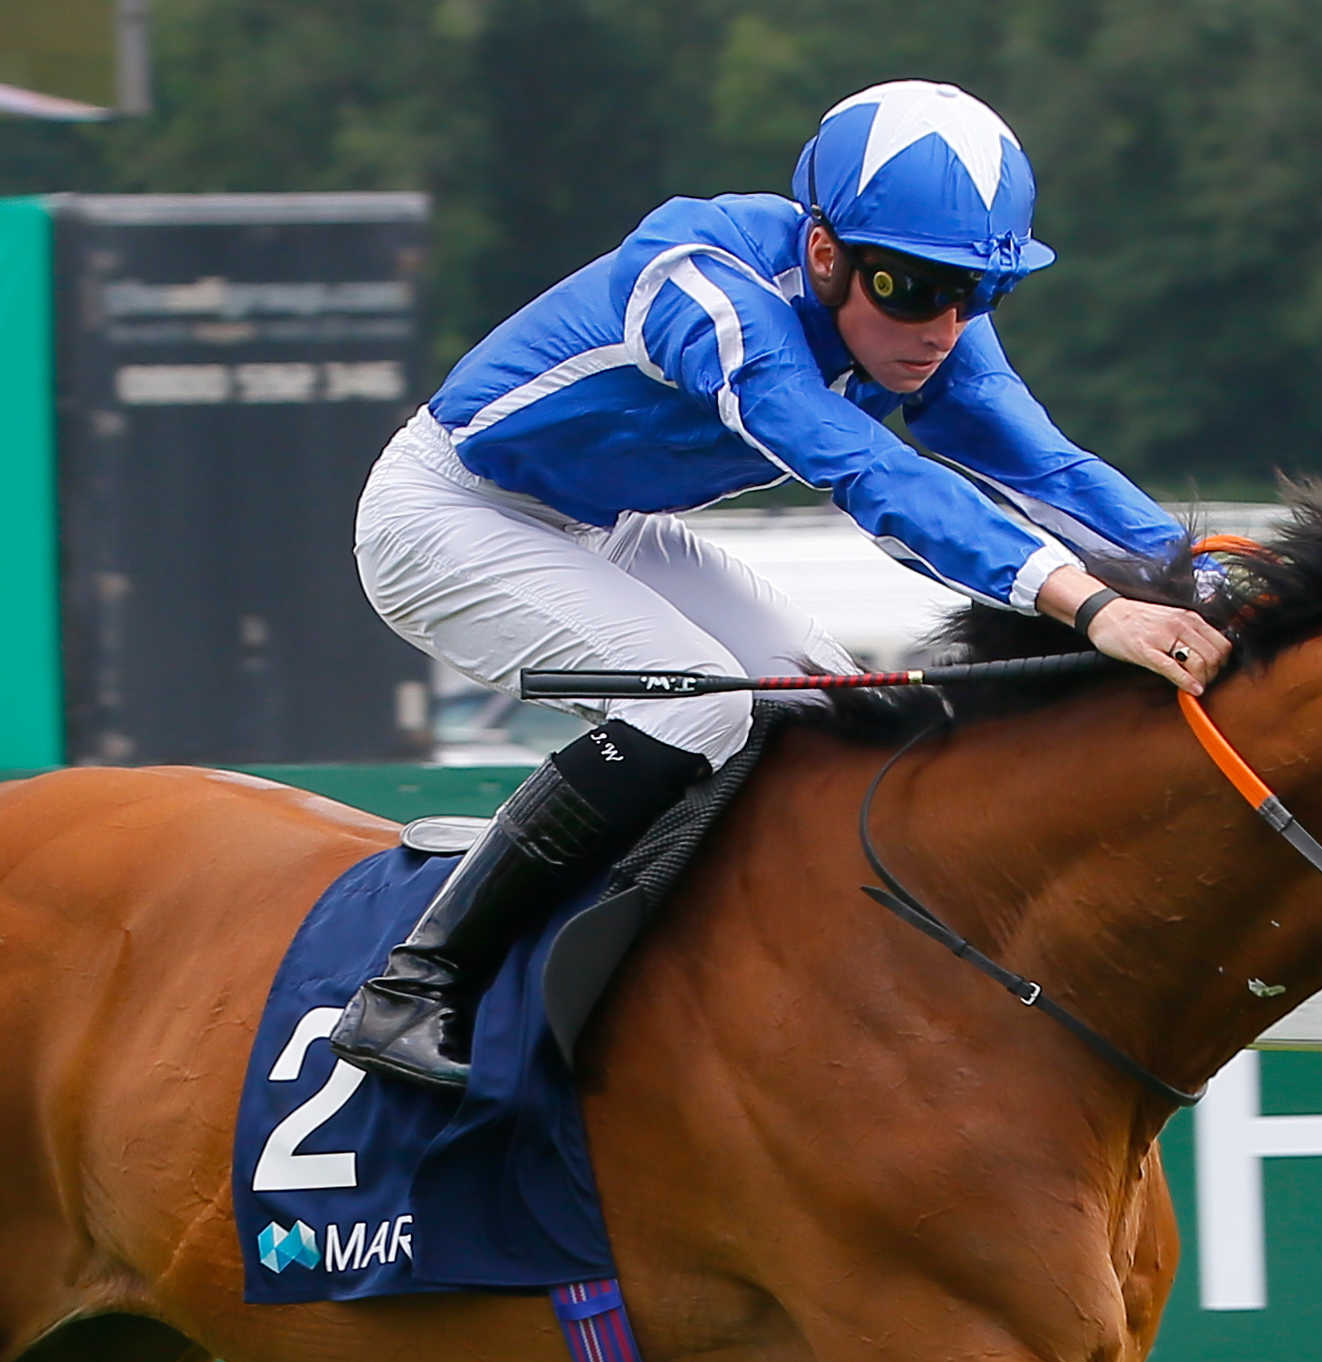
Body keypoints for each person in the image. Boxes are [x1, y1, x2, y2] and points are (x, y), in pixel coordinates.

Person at [329, 77, 1232, 1092]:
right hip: (448, 515)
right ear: (822, 252)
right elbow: (870, 474)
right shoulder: (705, 287)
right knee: (697, 715)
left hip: (598, 525)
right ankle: (418, 982)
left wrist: (1203, 569)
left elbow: (1046, 467)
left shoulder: (918, 312)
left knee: (824, 705)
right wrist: (1093, 606)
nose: (940, 325)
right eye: (909, 288)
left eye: (978, 293)